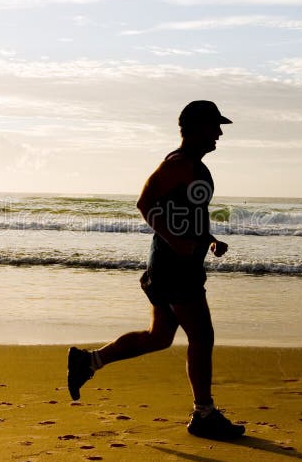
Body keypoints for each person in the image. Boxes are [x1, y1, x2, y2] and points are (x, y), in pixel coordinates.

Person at [67, 100, 245, 441]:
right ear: (195, 128)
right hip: (173, 266)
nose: (219, 133)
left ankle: (88, 362)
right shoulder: (177, 164)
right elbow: (145, 202)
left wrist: (208, 239)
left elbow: (186, 213)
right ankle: (204, 414)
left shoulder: (194, 166)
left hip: (176, 265)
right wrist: (173, 241)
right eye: (214, 126)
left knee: (159, 338)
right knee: (202, 336)